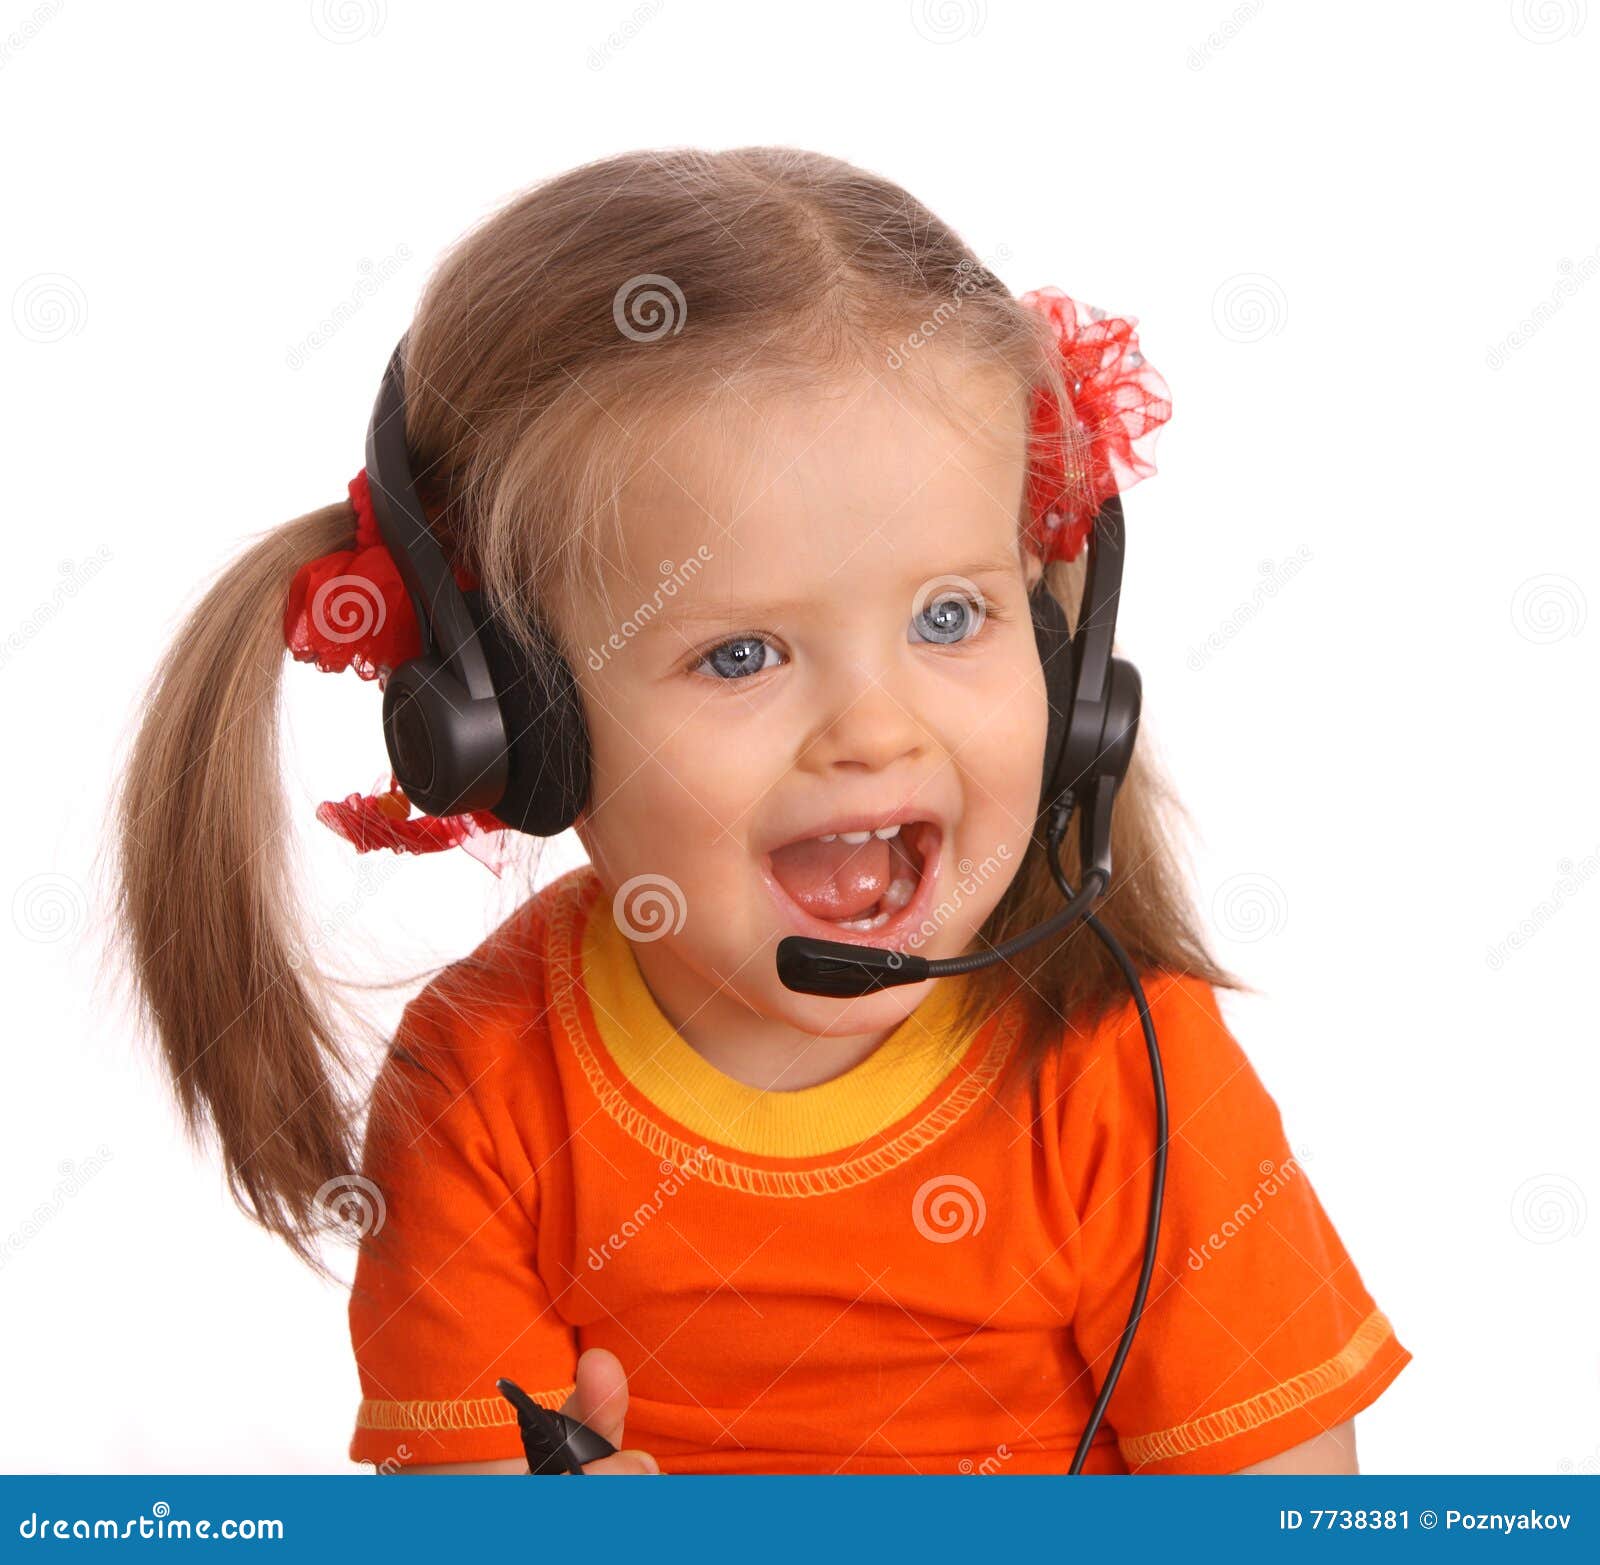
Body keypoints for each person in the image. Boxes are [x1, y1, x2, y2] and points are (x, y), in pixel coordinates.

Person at [107, 146, 1410, 1475]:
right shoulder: (485, 1083)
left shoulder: (1127, 1078)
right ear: (518, 719)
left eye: (950, 616)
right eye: (741, 655)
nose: (873, 728)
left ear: (1062, 655)